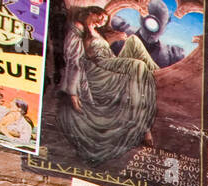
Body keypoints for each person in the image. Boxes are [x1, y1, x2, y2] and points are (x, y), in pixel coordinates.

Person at [56, 5, 158, 167]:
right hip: (99, 68)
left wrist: (115, 39)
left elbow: (101, 48)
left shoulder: (96, 32)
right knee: (137, 66)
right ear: (91, 12)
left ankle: (158, 73)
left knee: (133, 41)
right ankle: (142, 126)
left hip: (109, 61)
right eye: (101, 17)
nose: (102, 22)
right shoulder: (79, 28)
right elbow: (75, 60)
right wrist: (73, 92)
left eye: (105, 20)